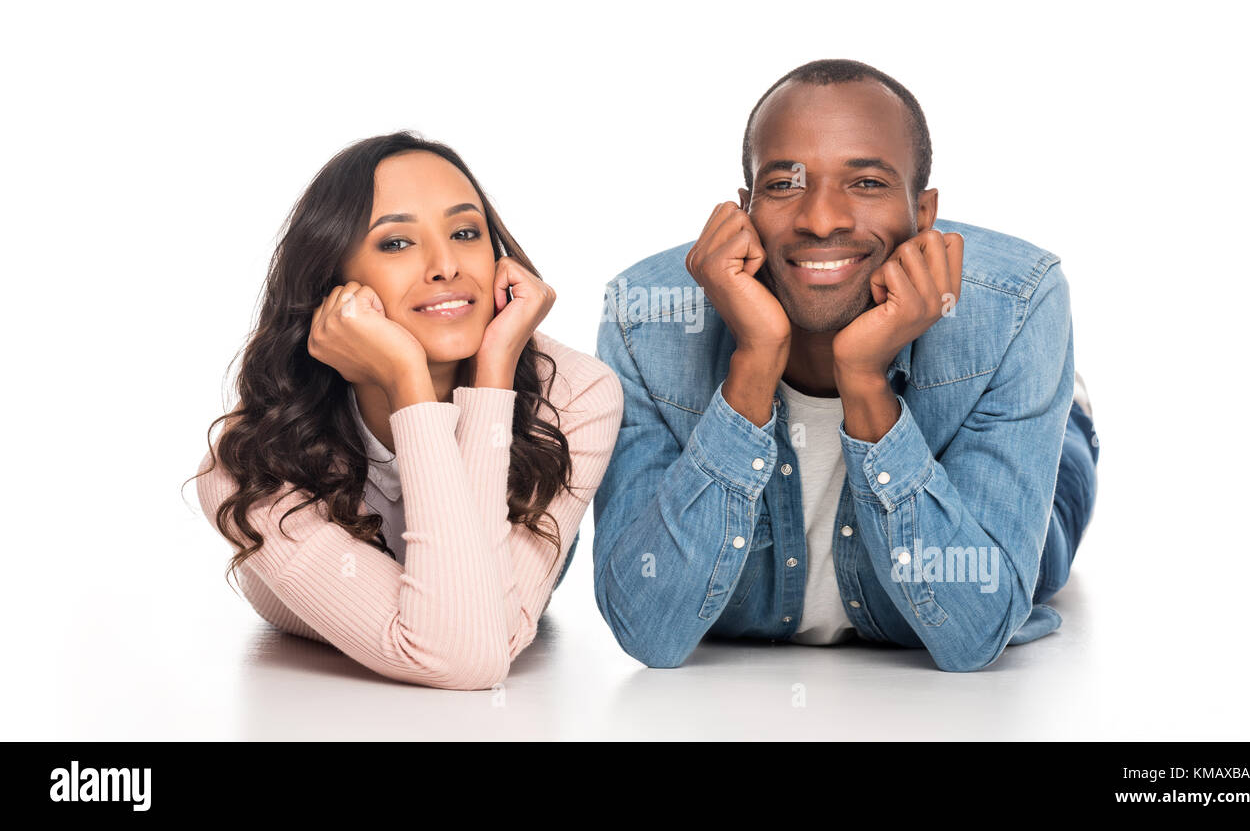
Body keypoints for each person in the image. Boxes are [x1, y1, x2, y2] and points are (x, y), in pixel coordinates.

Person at [592, 60, 1100, 672]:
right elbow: (647, 628)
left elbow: (973, 633)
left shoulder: (1016, 306)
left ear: (925, 211)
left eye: (866, 184)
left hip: (999, 410)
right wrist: (753, 362)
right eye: (784, 185)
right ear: (744, 206)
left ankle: (1063, 407)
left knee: (1046, 553)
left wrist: (861, 379)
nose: (821, 219)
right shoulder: (644, 318)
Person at [189, 132, 621, 690]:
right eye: (396, 243)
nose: (446, 265)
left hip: (506, 534)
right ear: (331, 282)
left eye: (466, 233)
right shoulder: (248, 465)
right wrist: (407, 381)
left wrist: (491, 376)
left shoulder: (577, 393)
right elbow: (464, 656)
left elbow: (477, 647)